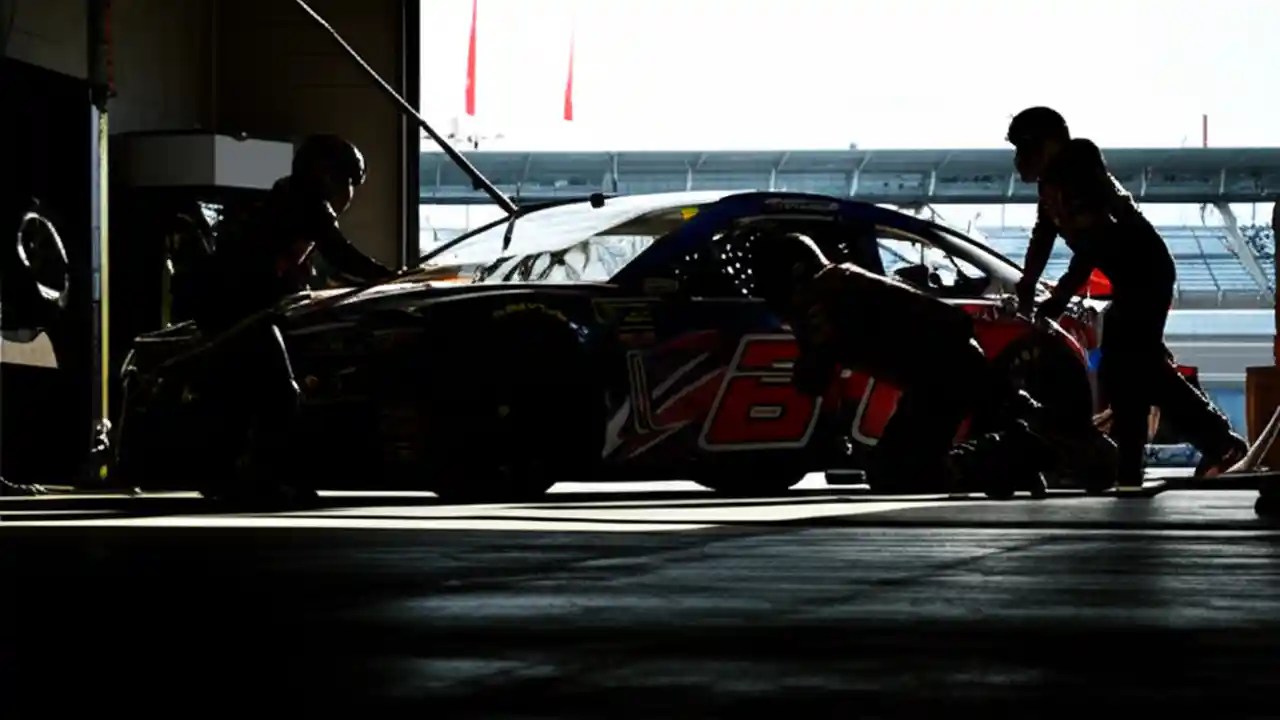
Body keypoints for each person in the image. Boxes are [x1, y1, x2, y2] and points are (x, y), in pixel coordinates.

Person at [1005, 106, 1246, 489]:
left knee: (1132, 366)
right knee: (1132, 368)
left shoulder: (1078, 167)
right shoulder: (1053, 182)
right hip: (1132, 277)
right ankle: (1143, 465)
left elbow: (1094, 240)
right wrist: (1028, 282)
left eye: (1022, 147)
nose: (1018, 158)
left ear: (1045, 144)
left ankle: (1209, 444)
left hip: (1144, 273)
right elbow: (1044, 233)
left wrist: (1060, 293)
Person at [745, 231, 1065, 498]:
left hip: (941, 376)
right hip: (940, 374)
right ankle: (1009, 457)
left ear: (795, 276)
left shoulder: (825, 297)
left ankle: (1006, 458)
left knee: (897, 475)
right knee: (895, 470)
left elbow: (813, 377)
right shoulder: (837, 284)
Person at [195, 133, 396, 333]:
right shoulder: (310, 204)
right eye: (348, 183)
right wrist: (391, 276)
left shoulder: (287, 192)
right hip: (241, 312)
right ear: (330, 178)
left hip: (231, 307)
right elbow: (342, 255)